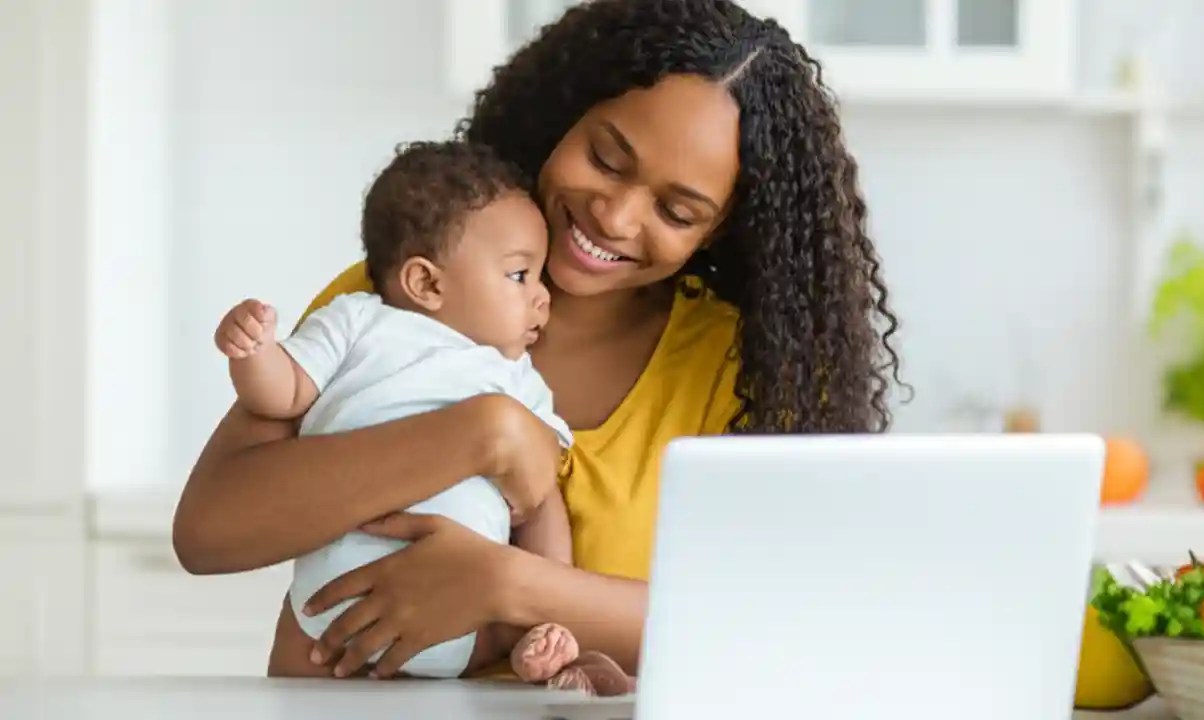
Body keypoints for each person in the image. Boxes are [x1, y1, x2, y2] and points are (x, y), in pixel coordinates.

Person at [173, 0, 904, 683]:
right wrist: (485, 434)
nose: (615, 217)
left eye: (678, 210)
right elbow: (208, 533)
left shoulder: (748, 373)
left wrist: (507, 583)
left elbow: (786, 624)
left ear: (721, 230)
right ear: (565, 115)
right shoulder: (400, 294)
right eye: (608, 159)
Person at [210, 139, 633, 687]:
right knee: (306, 650)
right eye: (519, 275)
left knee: (544, 505)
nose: (542, 298)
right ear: (427, 283)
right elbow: (283, 394)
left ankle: (537, 629)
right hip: (334, 595)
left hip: (471, 608)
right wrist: (253, 354)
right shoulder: (359, 321)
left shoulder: (513, 372)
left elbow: (535, 477)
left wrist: (526, 464)